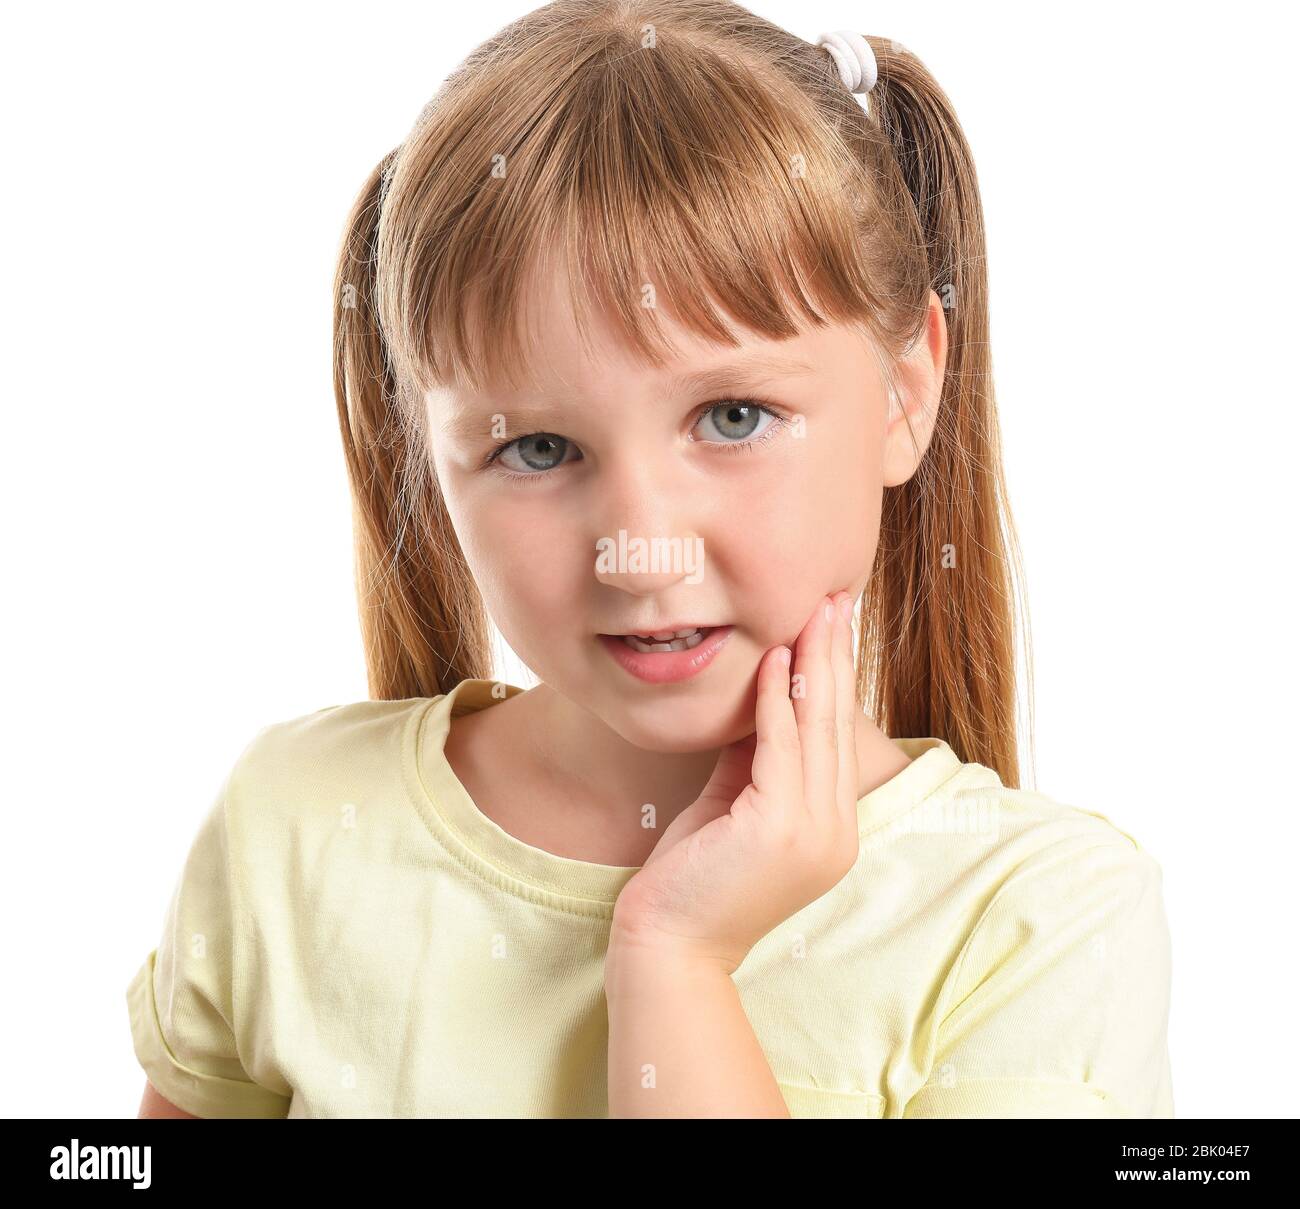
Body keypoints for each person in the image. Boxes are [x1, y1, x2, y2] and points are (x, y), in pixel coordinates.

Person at [127, 0, 1174, 1119]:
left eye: (732, 418)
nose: (641, 548)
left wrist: (677, 962)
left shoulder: (1038, 920)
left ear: (903, 393)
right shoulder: (289, 824)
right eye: (537, 447)